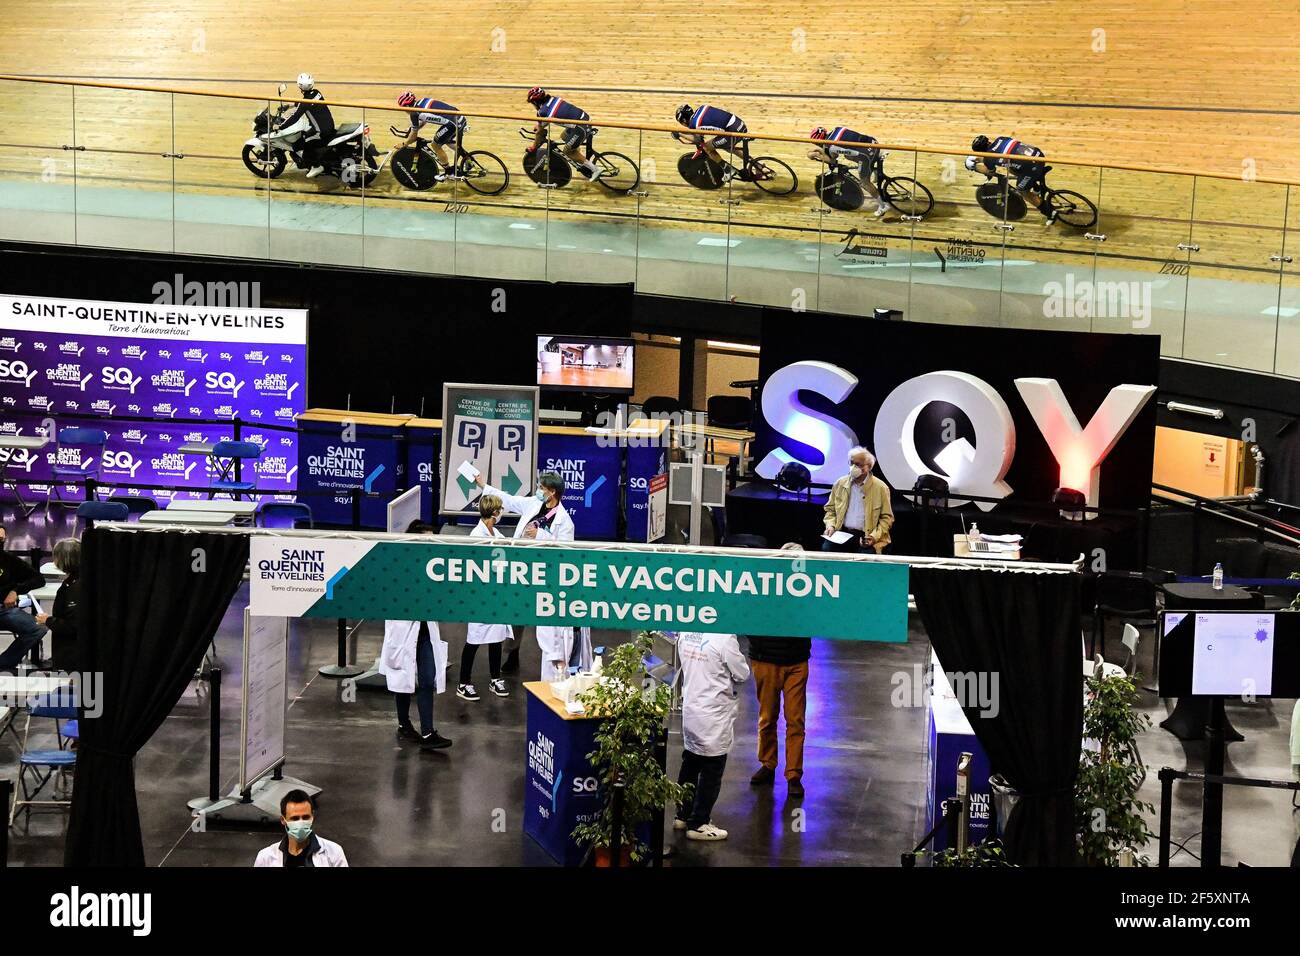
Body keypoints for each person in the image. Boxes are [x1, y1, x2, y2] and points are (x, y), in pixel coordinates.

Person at [473, 470, 592, 680]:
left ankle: (553, 669)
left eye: (541, 488)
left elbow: (565, 555)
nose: (538, 491)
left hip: (543, 577)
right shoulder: (533, 505)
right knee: (514, 615)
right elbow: (509, 500)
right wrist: (484, 486)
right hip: (520, 569)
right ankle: (511, 652)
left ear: (552, 492)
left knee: (546, 627)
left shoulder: (564, 522)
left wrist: (542, 535)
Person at [377, 520, 453, 751]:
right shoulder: (398, 567)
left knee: (427, 680)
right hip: (404, 632)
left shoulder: (434, 567)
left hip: (425, 632)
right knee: (403, 679)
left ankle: (428, 733)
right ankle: (404, 724)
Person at [747, 542, 811, 798]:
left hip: (796, 662)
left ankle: (793, 774)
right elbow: (747, 619)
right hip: (766, 661)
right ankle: (767, 764)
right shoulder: (763, 588)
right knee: (767, 717)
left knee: (796, 721)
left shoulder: (809, 590)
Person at [674, 630, 750, 841]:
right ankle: (698, 823)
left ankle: (682, 814)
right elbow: (742, 673)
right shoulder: (725, 638)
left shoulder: (686, 632)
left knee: (690, 764)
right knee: (712, 768)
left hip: (691, 710)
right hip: (714, 714)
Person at [457, 494, 512, 701]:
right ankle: (463, 683)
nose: (501, 513)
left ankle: (495, 679)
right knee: (474, 639)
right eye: (500, 510)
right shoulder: (476, 535)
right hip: (480, 597)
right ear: (495, 512)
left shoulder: (495, 532)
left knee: (496, 638)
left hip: (496, 596)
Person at [822, 445, 894, 554]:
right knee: (827, 549)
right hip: (842, 533)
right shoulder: (840, 483)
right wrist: (830, 525)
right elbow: (830, 510)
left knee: (866, 556)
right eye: (851, 463)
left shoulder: (881, 488)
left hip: (866, 535)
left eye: (858, 465)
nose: (853, 467)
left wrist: (873, 537)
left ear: (868, 467)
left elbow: (887, 518)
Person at [967, 134, 1053, 220]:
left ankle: (1051, 213)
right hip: (1038, 155)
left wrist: (974, 167)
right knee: (1011, 168)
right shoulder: (1001, 138)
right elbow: (997, 154)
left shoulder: (989, 158)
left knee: (1022, 191)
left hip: (1031, 168)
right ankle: (1035, 186)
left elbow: (990, 171)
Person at [525, 87, 603, 182]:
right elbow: (544, 122)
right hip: (585, 120)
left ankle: (595, 169)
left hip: (580, 128)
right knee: (563, 137)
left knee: (568, 151)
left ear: (535, 102)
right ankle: (578, 154)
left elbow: (539, 131)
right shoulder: (553, 99)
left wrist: (533, 146)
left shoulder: (542, 112)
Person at [809, 125, 889, 217]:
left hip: (867, 156)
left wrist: (816, 154)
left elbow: (832, 160)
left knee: (864, 183)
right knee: (849, 155)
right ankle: (873, 168)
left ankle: (883, 206)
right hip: (874, 144)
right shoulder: (837, 129)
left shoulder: (831, 147)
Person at [254, 790, 349, 867]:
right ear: (283, 820)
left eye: (306, 817)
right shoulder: (265, 858)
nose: (301, 822)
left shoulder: (334, 853)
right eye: (294, 818)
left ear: (313, 816)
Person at [0, 527, 48, 674]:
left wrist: (15, 590)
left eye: (2, 539)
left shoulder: (9, 560)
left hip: (4, 610)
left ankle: (3, 663)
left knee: (39, 628)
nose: (1, 541)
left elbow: (38, 579)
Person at [395, 91, 467, 177]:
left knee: (435, 145)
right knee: (446, 140)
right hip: (460, 117)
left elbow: (413, 137)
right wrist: (412, 128)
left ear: (407, 106)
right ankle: (468, 159)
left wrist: (404, 144)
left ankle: (449, 172)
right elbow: (425, 118)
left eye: (403, 108)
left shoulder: (414, 113)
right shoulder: (422, 101)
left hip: (452, 124)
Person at [35, 537, 79, 673]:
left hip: (74, 657)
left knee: (79, 692)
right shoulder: (71, 582)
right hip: (69, 653)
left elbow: (73, 625)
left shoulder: (76, 588)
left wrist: (48, 620)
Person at [279, 72, 335, 179]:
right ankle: (302, 161)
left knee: (301, 143)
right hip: (329, 125)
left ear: (300, 86)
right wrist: (290, 105)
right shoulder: (317, 93)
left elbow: (295, 117)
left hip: (321, 132)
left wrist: (280, 126)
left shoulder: (305, 102)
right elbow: (304, 103)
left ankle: (316, 166)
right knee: (305, 136)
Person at [674, 103, 751, 176]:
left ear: (684, 120)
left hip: (732, 131)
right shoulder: (702, 108)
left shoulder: (694, 124)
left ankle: (728, 170)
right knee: (727, 146)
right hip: (740, 124)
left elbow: (697, 140)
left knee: (707, 147)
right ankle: (756, 164)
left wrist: (679, 134)